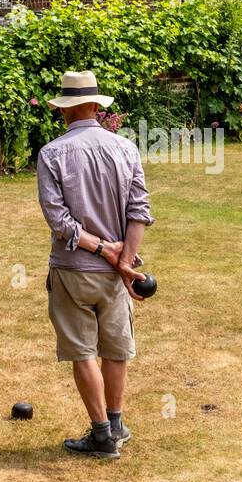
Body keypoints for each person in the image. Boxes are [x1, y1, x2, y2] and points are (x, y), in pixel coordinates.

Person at [37, 71, 154, 460]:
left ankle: (103, 435)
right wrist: (122, 259)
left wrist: (105, 251)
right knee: (116, 347)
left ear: (66, 110)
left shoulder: (51, 153)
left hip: (72, 269)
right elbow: (139, 210)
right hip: (114, 273)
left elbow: (60, 222)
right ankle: (115, 423)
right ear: (95, 107)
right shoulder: (125, 149)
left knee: (83, 350)